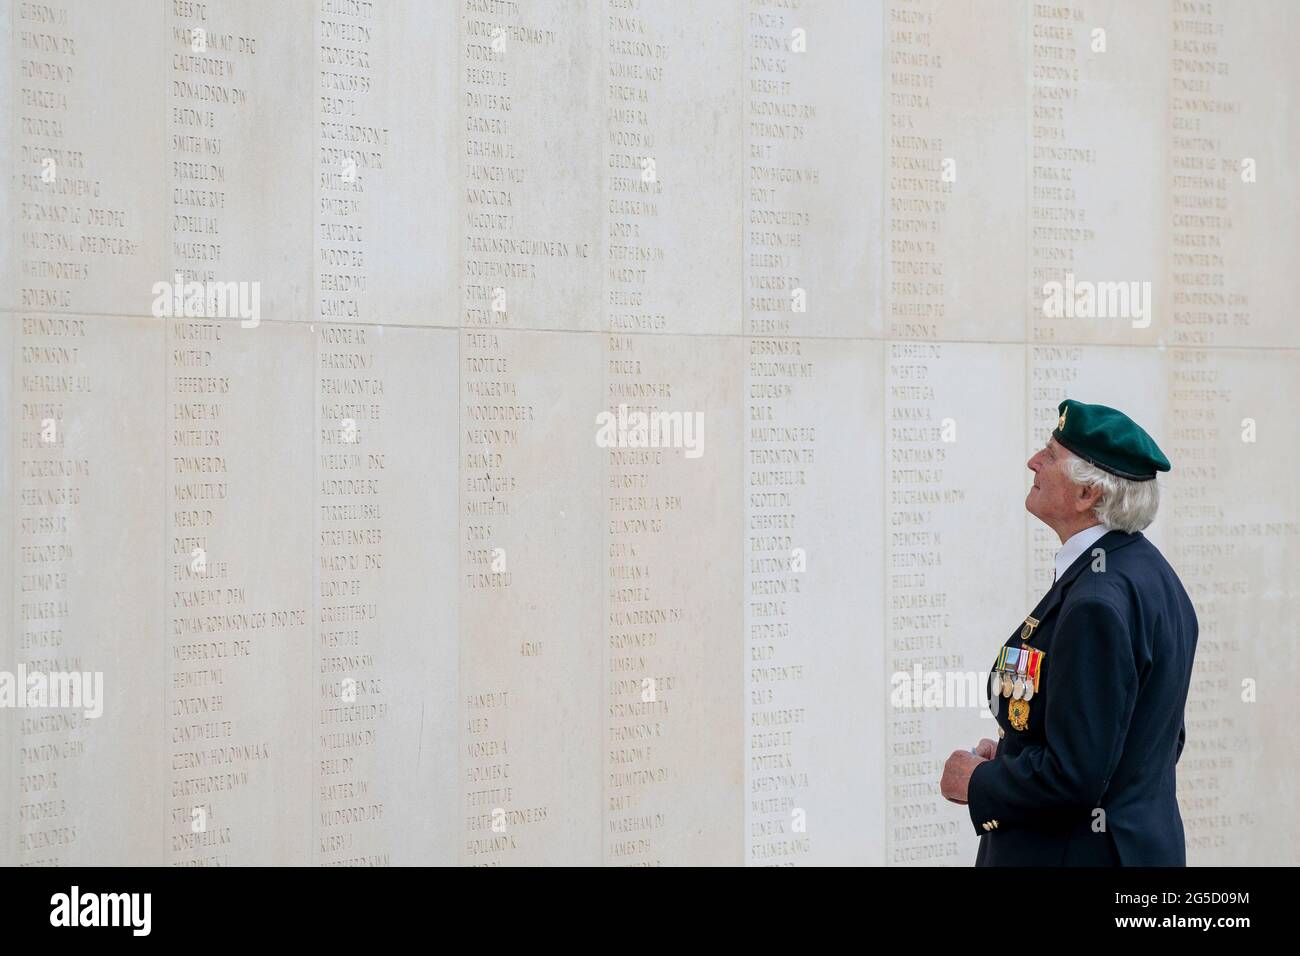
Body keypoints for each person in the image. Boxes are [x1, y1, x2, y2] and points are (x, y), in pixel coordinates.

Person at [939, 398, 1198, 865]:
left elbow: (1075, 778)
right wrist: (1018, 750)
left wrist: (977, 781)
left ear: (1087, 495)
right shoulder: (1149, 573)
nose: (1033, 461)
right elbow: (1141, 740)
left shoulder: (1096, 601)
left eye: (1050, 454)